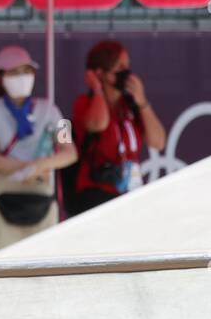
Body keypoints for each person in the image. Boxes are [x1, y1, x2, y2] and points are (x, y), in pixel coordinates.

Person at [0, 45, 77, 255]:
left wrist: (41, 166)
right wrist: (25, 169)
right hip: (2, 201)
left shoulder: (52, 109)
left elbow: (70, 152)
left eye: (26, 71)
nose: (22, 77)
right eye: (14, 72)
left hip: (42, 201)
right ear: (0, 77)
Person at [68, 40, 166, 217]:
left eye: (127, 66)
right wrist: (97, 89)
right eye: (120, 67)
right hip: (97, 196)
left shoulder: (130, 106)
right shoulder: (84, 103)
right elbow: (98, 123)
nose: (126, 73)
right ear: (100, 73)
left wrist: (142, 102)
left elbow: (158, 142)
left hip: (131, 194)